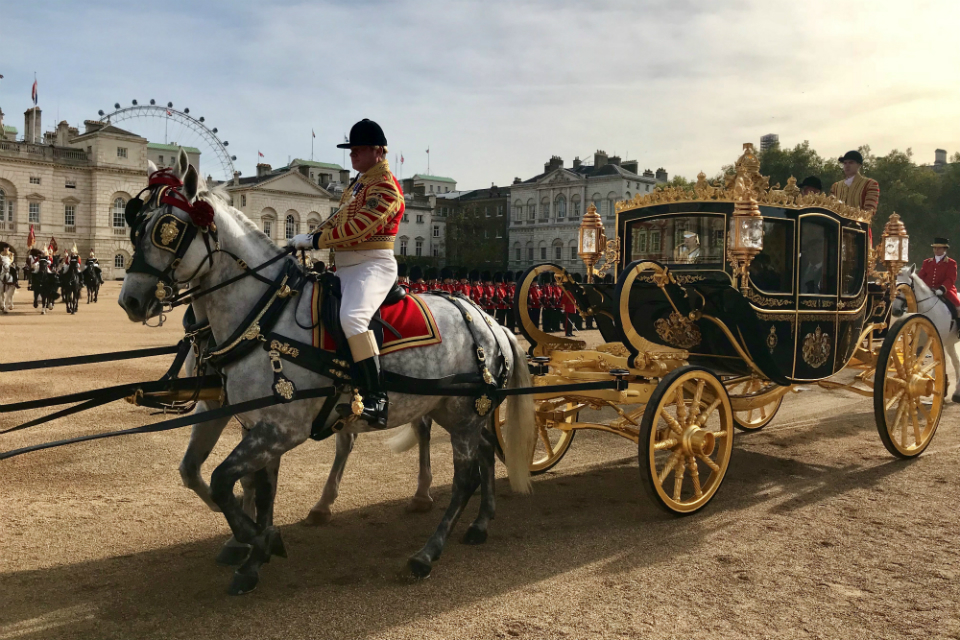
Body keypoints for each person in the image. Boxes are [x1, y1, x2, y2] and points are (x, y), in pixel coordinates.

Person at [290, 119, 403, 428]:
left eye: (359, 150)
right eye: (351, 150)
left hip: (372, 265)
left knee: (352, 318)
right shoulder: (358, 185)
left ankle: (377, 398)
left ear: (378, 152)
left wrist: (315, 241)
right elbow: (336, 221)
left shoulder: (386, 187)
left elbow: (359, 228)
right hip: (344, 266)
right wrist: (304, 239)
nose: (352, 155)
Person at [918, 237, 960, 311]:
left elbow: (950, 279)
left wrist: (942, 289)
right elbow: (921, 277)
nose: (936, 250)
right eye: (934, 248)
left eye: (939, 248)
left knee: (958, 306)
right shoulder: (927, 262)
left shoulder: (951, 263)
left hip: (945, 291)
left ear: (944, 249)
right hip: (928, 290)